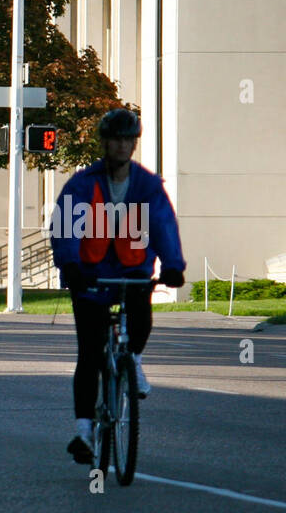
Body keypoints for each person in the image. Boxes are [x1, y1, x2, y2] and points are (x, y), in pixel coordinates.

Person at [49, 108, 186, 465]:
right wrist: (71, 265)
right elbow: (65, 228)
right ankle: (84, 431)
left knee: (141, 315)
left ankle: (134, 360)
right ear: (104, 143)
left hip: (132, 271)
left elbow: (163, 226)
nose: (123, 146)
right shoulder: (83, 184)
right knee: (91, 354)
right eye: (116, 140)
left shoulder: (146, 185)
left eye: (129, 140)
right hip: (91, 275)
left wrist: (173, 265)